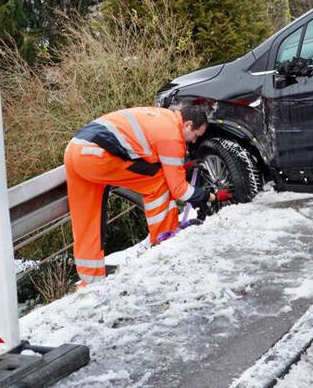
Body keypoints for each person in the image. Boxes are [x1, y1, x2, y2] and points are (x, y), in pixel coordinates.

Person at [63, 105, 232, 284]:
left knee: (87, 218)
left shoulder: (163, 117)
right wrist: (211, 196)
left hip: (75, 151)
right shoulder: (173, 137)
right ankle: (166, 245)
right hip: (98, 156)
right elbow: (179, 190)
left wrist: (181, 169)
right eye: (196, 135)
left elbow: (146, 155)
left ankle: (89, 282)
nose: (194, 141)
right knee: (158, 183)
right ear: (188, 124)